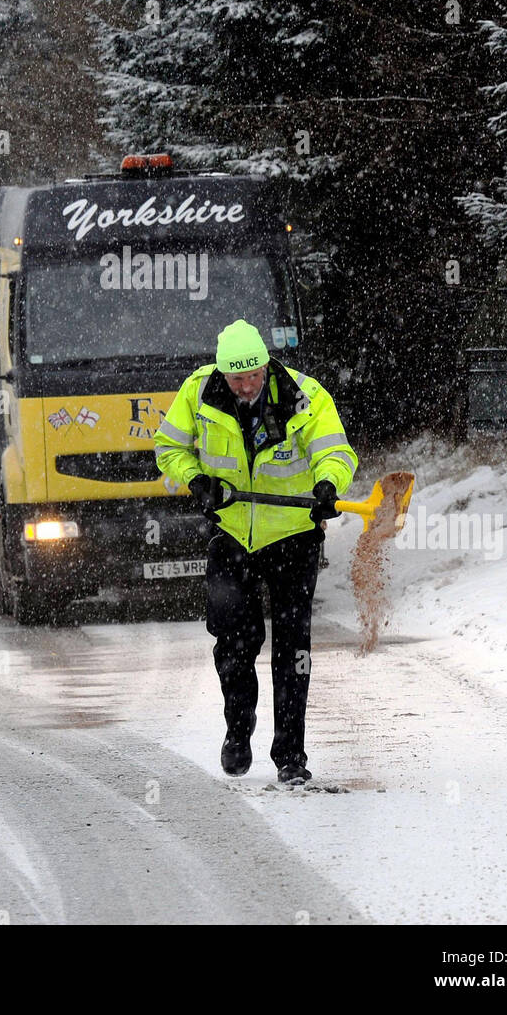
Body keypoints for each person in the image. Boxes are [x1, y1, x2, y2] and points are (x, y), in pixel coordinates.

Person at [155, 319, 358, 785]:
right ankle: (237, 733)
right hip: (232, 538)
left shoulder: (303, 395)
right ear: (222, 374)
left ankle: (291, 757)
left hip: (293, 537)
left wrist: (329, 484)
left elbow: (336, 451)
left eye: (253, 376)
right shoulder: (197, 393)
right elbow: (168, 448)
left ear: (266, 365)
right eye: (237, 378)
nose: (246, 386)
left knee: (293, 650)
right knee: (234, 643)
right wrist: (198, 480)